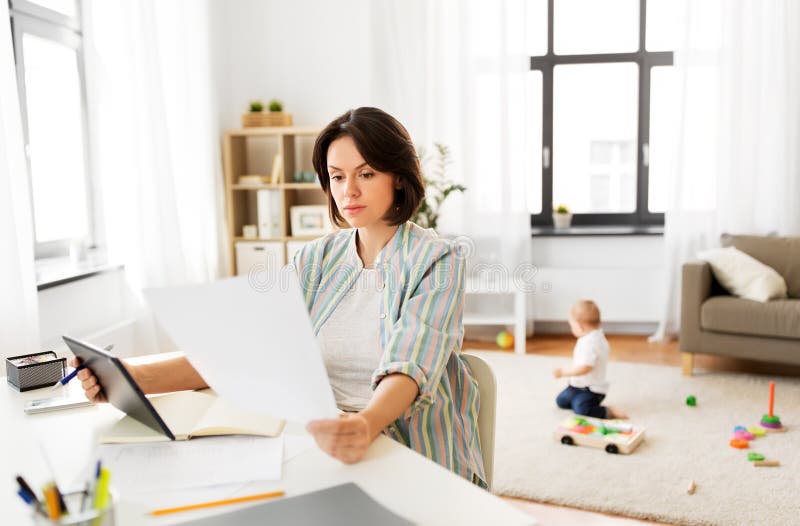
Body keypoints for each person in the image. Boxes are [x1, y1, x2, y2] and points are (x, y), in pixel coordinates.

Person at [72, 107, 487, 488]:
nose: (349, 191)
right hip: (317, 442)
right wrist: (128, 377)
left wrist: (364, 425)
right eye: (338, 176)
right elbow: (249, 347)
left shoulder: (439, 259)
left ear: (397, 176)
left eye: (366, 174)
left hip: (407, 450)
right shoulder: (317, 258)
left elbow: (409, 364)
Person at [553, 300, 627, 420]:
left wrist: (563, 373)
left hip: (591, 390)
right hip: (576, 386)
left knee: (582, 411)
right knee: (561, 401)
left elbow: (585, 368)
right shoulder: (590, 336)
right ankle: (578, 400)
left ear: (580, 327)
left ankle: (608, 411)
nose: (571, 329)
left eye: (572, 326)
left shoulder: (592, 343)